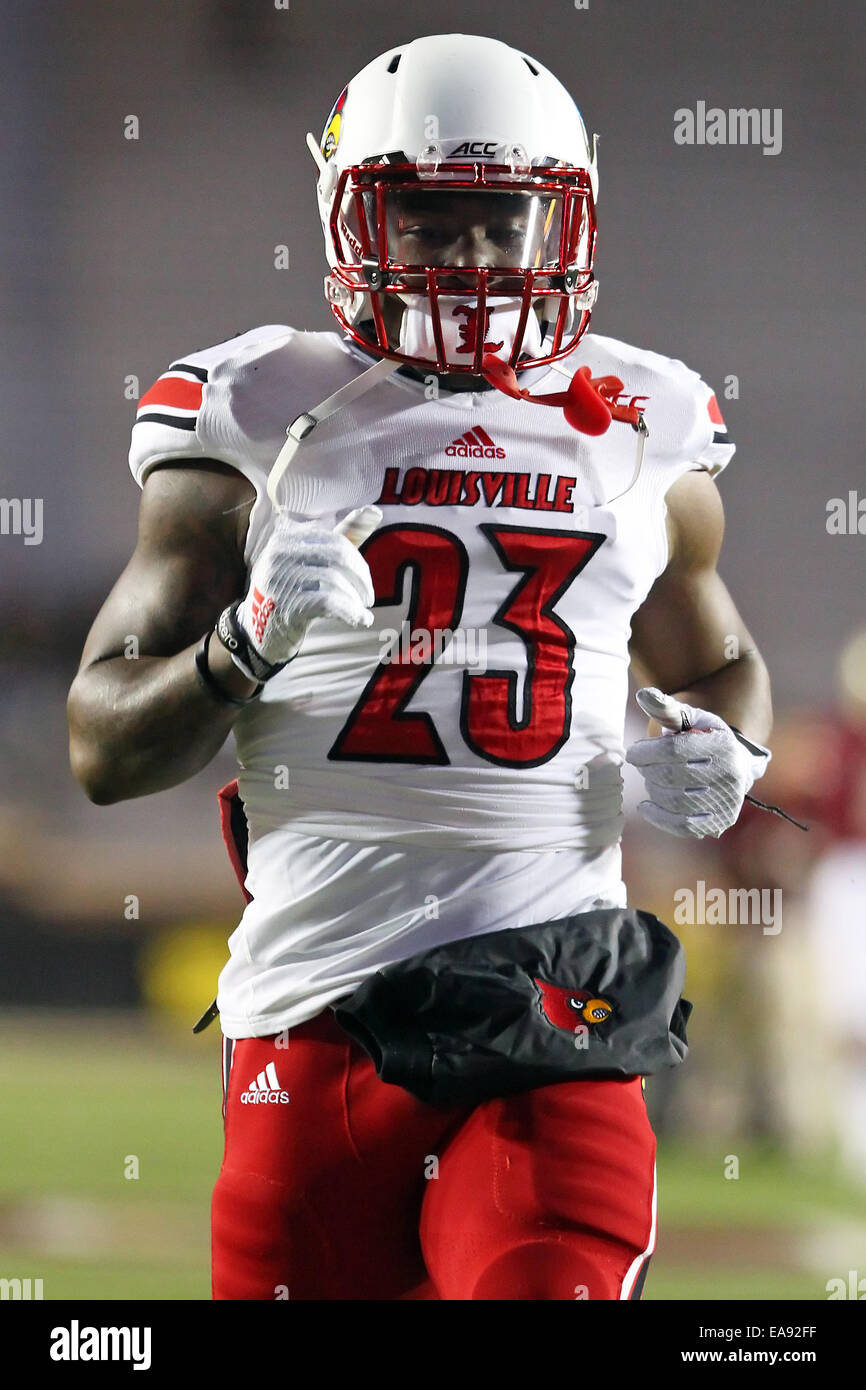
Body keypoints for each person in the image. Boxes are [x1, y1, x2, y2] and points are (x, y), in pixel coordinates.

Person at [67, 33, 773, 1300]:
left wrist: (725, 750)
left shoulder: (645, 420)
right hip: (311, 1010)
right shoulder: (254, 408)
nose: (470, 262)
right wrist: (241, 645)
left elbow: (720, 660)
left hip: (551, 1010)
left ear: (565, 220)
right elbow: (104, 747)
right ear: (349, 216)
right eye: (427, 221)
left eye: (502, 223)